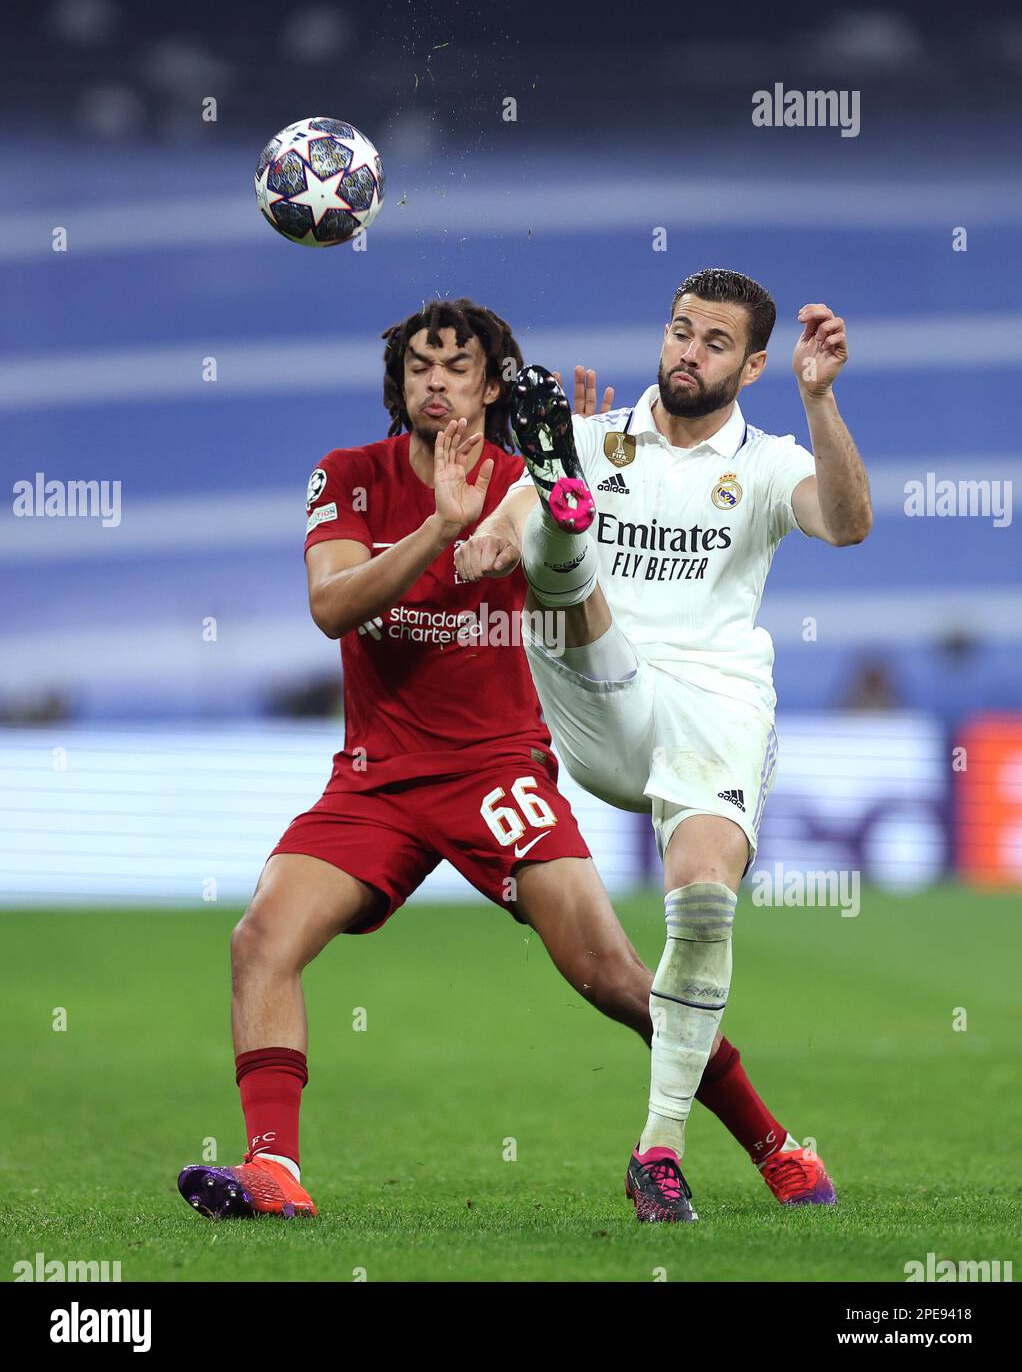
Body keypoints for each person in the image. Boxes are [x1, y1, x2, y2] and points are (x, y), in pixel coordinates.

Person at [177, 295, 834, 1222]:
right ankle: (273, 1170)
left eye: (457, 369)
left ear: (492, 386)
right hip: (377, 778)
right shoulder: (350, 477)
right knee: (260, 940)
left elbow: (580, 604)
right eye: (419, 368)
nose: (435, 385)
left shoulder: (537, 475)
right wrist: (439, 530)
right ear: (398, 383)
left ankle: (774, 1147)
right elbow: (333, 608)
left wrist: (580, 499)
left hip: (500, 772)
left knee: (615, 977)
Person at [457, 270, 868, 1220]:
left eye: (715, 341)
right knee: (561, 551)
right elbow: (490, 541)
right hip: (602, 693)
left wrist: (821, 399)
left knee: (705, 910)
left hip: (718, 707)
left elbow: (847, 525)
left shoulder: (766, 462)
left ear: (755, 363)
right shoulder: (599, 437)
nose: (688, 351)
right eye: (680, 331)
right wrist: (491, 536)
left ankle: (659, 1151)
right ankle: (567, 516)